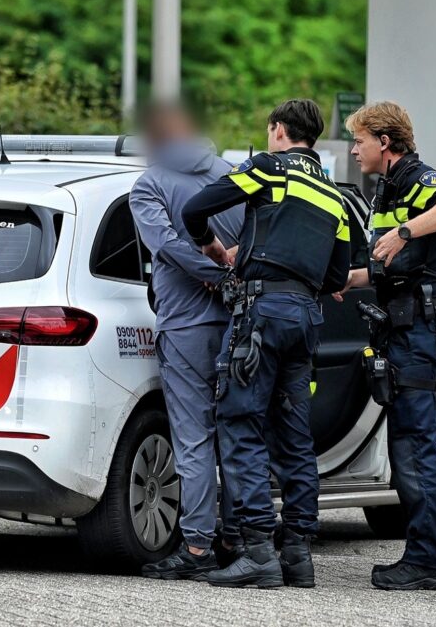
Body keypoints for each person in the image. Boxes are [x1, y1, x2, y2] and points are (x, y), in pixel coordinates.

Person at [181, 99, 350, 589]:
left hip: (259, 315)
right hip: (304, 321)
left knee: (239, 423)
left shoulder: (269, 170)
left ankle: (257, 550)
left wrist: (213, 248)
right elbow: (337, 275)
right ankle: (297, 553)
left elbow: (197, 208)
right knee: (295, 436)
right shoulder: (333, 195)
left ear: (278, 130)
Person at [334, 101, 436, 590]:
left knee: (415, 448)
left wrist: (404, 230)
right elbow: (385, 266)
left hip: (417, 332)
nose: (354, 149)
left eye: (360, 141)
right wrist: (340, 282)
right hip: (399, 331)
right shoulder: (386, 189)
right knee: (406, 446)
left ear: (385, 143)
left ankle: (424, 563)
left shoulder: (419, 179)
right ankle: (420, 557)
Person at [130, 102, 244, 580]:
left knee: (194, 439)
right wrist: (233, 277)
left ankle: (197, 548)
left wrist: (213, 275)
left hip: (186, 326)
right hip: (241, 323)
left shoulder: (150, 184)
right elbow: (259, 241)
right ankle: (241, 539)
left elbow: (168, 248)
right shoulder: (236, 176)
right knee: (239, 434)